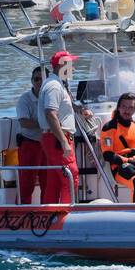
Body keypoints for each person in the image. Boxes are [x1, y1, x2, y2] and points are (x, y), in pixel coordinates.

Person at [39, 50, 93, 204]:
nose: (73, 68)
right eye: (70, 65)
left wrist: (80, 110)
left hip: (53, 138)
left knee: (55, 180)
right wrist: (63, 142)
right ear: (61, 66)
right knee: (70, 175)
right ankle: (67, 212)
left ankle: (51, 212)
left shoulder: (56, 84)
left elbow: (61, 106)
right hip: (57, 139)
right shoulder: (54, 86)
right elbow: (50, 114)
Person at [14, 66, 46, 204]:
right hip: (29, 144)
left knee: (48, 182)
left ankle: (47, 211)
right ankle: (21, 211)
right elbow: (24, 122)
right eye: (36, 79)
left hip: (48, 144)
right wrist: (46, 123)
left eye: (42, 79)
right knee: (26, 184)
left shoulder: (51, 97)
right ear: (32, 81)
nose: (39, 82)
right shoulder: (24, 99)